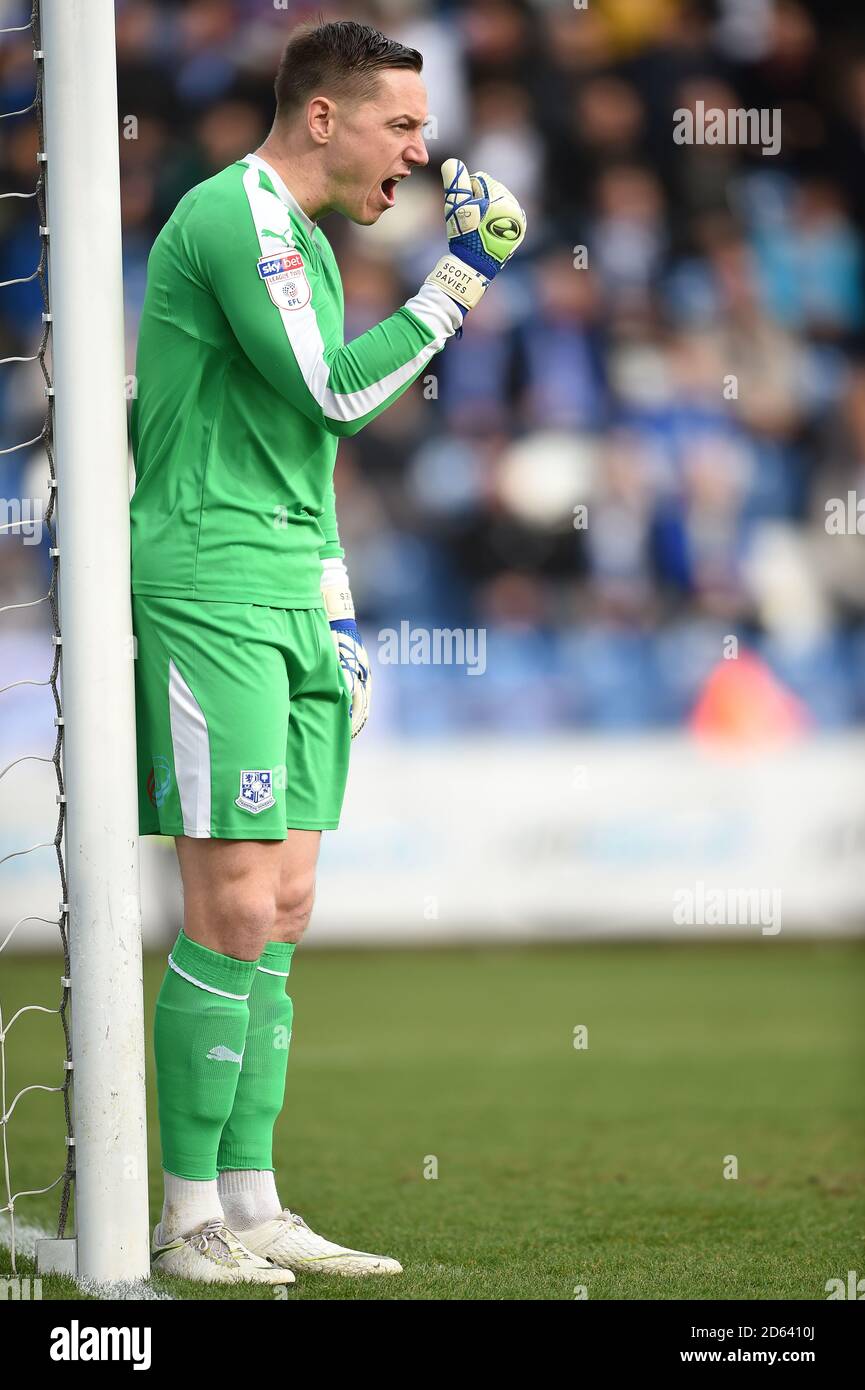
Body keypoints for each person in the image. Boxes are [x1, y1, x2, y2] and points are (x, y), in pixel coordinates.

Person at [130, 17, 526, 1284]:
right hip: (209, 585)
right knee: (235, 901)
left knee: (287, 908)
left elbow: (299, 459)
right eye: (402, 126)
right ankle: (184, 1216)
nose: (419, 153)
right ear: (322, 115)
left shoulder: (305, 234)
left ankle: (253, 1204)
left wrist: (339, 609)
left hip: (292, 588)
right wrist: (459, 279)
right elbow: (337, 395)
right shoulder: (235, 216)